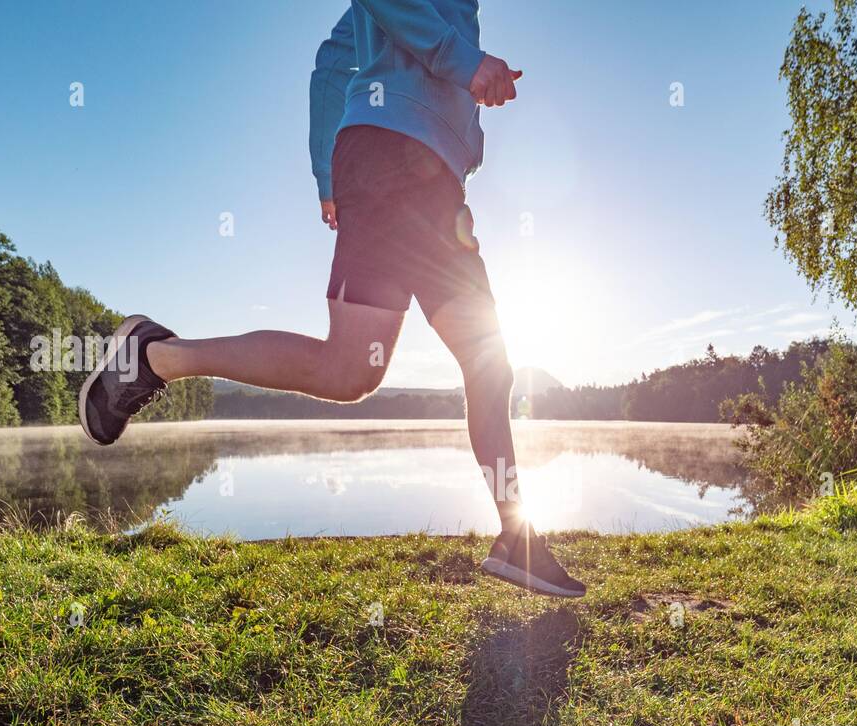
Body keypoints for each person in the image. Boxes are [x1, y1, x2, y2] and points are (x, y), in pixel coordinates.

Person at [79, 1, 585, 598]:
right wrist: (464, 64)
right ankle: (153, 356)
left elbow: (332, 60)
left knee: (455, 362)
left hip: (429, 179)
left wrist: (338, 167)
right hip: (391, 157)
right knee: (383, 364)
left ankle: (517, 540)